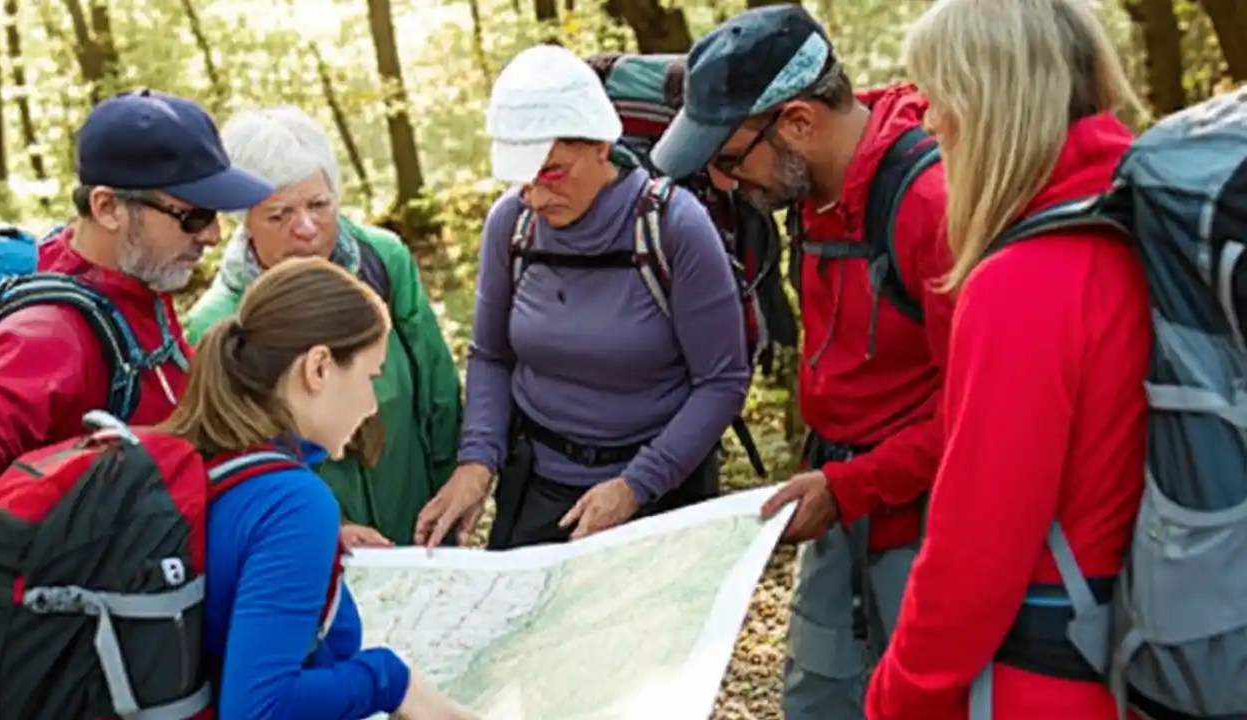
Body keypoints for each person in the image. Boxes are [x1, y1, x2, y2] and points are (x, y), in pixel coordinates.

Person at [650, 6, 953, 718]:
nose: (722, 183)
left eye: (727, 159)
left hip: (925, 521)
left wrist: (851, 485)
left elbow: (984, 412)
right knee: (817, 698)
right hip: (840, 506)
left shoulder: (927, 207)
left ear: (798, 122)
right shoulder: (808, 194)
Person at [864, 1, 1150, 718]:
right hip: (1154, 649)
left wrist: (897, 697)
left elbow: (976, 555)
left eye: (939, 97)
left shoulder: (1026, 281)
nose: (929, 123)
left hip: (1052, 678)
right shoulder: (1139, 222)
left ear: (989, 101)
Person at [414, 44, 752, 550]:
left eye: (552, 171)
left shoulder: (672, 226)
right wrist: (477, 462)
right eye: (523, 178)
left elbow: (722, 380)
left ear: (600, 145)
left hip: (663, 488)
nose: (537, 196)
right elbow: (491, 355)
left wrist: (636, 486)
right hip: (539, 483)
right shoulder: (513, 226)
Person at [162, 256, 477, 719]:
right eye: (371, 376)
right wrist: (391, 681)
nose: (372, 406)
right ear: (319, 368)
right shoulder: (291, 504)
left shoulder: (210, 456)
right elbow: (259, 710)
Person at [0, 89, 273, 508]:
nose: (212, 235)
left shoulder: (140, 286)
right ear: (108, 207)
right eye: (194, 216)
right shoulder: (49, 335)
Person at [183, 105, 462, 548]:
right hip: (319, 550)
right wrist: (327, 533)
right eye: (279, 215)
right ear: (244, 223)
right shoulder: (217, 323)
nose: (307, 228)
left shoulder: (383, 261)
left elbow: (438, 391)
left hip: (421, 531)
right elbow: (231, 466)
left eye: (319, 205)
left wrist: (452, 487)